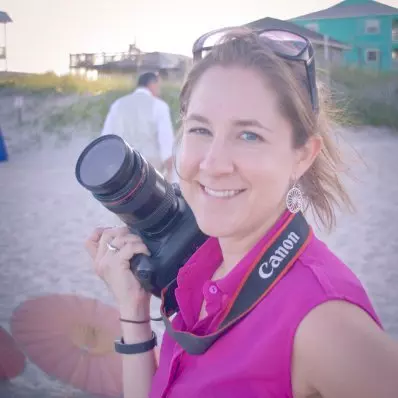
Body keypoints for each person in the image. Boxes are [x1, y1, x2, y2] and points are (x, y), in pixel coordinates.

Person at [85, 28, 398, 398]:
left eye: (249, 135)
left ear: (302, 155)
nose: (213, 164)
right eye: (200, 129)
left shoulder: (324, 322)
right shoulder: (201, 266)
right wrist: (134, 312)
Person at [101, 71, 175, 181]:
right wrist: (170, 170)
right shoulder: (159, 106)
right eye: (159, 86)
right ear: (152, 85)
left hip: (122, 168)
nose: (159, 90)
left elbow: (106, 138)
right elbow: (166, 143)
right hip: (149, 170)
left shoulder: (118, 104)